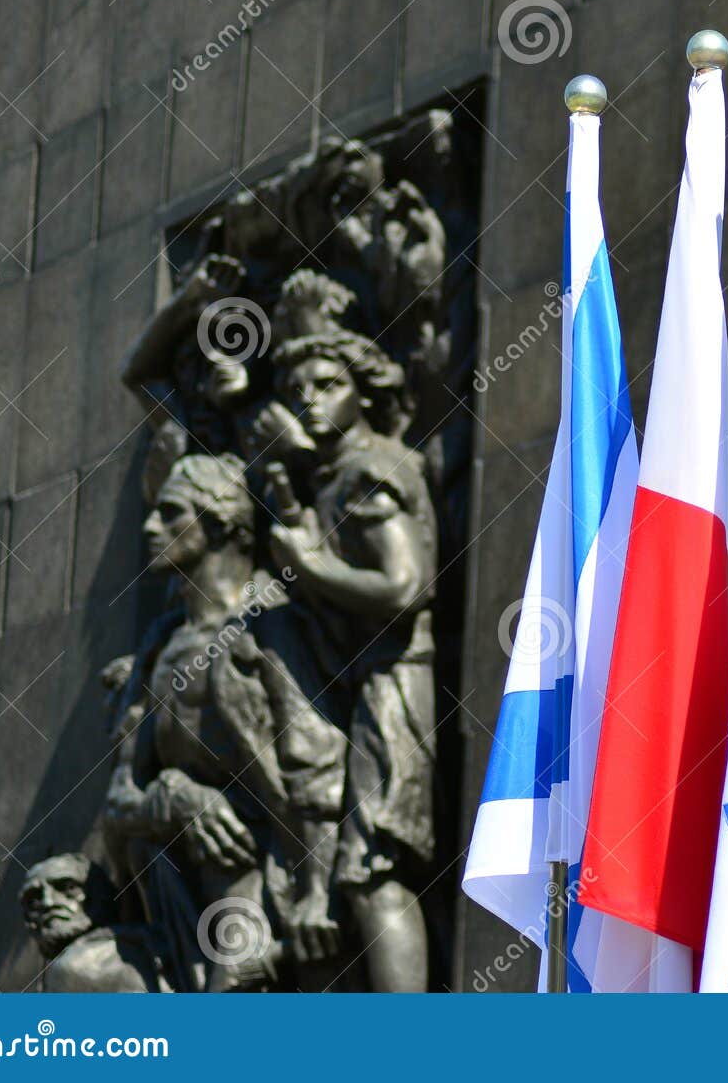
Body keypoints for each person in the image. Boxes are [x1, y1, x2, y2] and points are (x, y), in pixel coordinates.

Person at [103, 454, 347, 991]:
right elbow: (118, 802)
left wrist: (318, 893)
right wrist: (176, 797)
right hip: (174, 899)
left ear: (218, 523)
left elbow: (317, 773)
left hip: (265, 890)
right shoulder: (157, 649)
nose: (149, 527)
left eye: (169, 513)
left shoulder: (271, 626)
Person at [268, 328, 438, 992]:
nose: (310, 400)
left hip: (396, 685)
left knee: (373, 870)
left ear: (363, 392)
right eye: (298, 390)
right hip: (365, 684)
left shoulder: (375, 467)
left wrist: (309, 567)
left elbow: (406, 586)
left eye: (328, 384)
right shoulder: (329, 479)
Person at [21, 854, 167, 992]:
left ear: (96, 889)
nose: (48, 902)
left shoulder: (73, 965)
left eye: (69, 888)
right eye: (34, 900)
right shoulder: (144, 938)